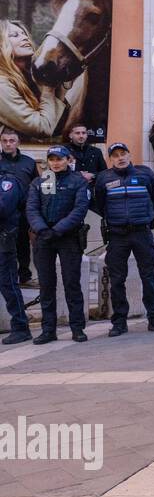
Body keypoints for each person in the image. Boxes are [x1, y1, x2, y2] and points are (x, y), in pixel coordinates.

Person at [90, 143, 154, 336]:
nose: (120, 158)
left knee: (149, 276)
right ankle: (119, 322)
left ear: (129, 154)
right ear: (110, 159)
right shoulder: (104, 178)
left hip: (141, 233)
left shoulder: (145, 174)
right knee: (117, 279)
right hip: (117, 234)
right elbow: (100, 205)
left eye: (123, 153)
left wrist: (151, 218)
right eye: (115, 155)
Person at [24, 145, 90, 343]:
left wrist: (58, 229)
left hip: (68, 237)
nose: (55, 163)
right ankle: (48, 330)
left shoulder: (78, 181)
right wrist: (43, 230)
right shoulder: (39, 181)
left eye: (59, 159)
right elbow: (32, 208)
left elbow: (79, 209)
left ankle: (77, 328)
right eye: (52, 159)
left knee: (71, 283)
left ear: (68, 160)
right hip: (43, 238)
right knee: (46, 285)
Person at [0, 18, 68, 140]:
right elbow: (42, 128)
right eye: (14, 35)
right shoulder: (2, 83)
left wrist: (61, 86)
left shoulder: (30, 77)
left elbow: (57, 127)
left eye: (24, 34)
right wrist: (48, 89)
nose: (25, 38)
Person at [0, 128, 38, 285]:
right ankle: (6, 279)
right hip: (3, 213)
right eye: (4, 141)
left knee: (23, 244)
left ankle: (24, 277)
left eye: (12, 141)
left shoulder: (29, 162)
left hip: (23, 212)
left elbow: (36, 185)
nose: (8, 144)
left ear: (18, 142)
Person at [0, 168, 30, 344]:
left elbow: (3, 208)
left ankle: (20, 327)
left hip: (4, 240)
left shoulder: (7, 182)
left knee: (8, 284)